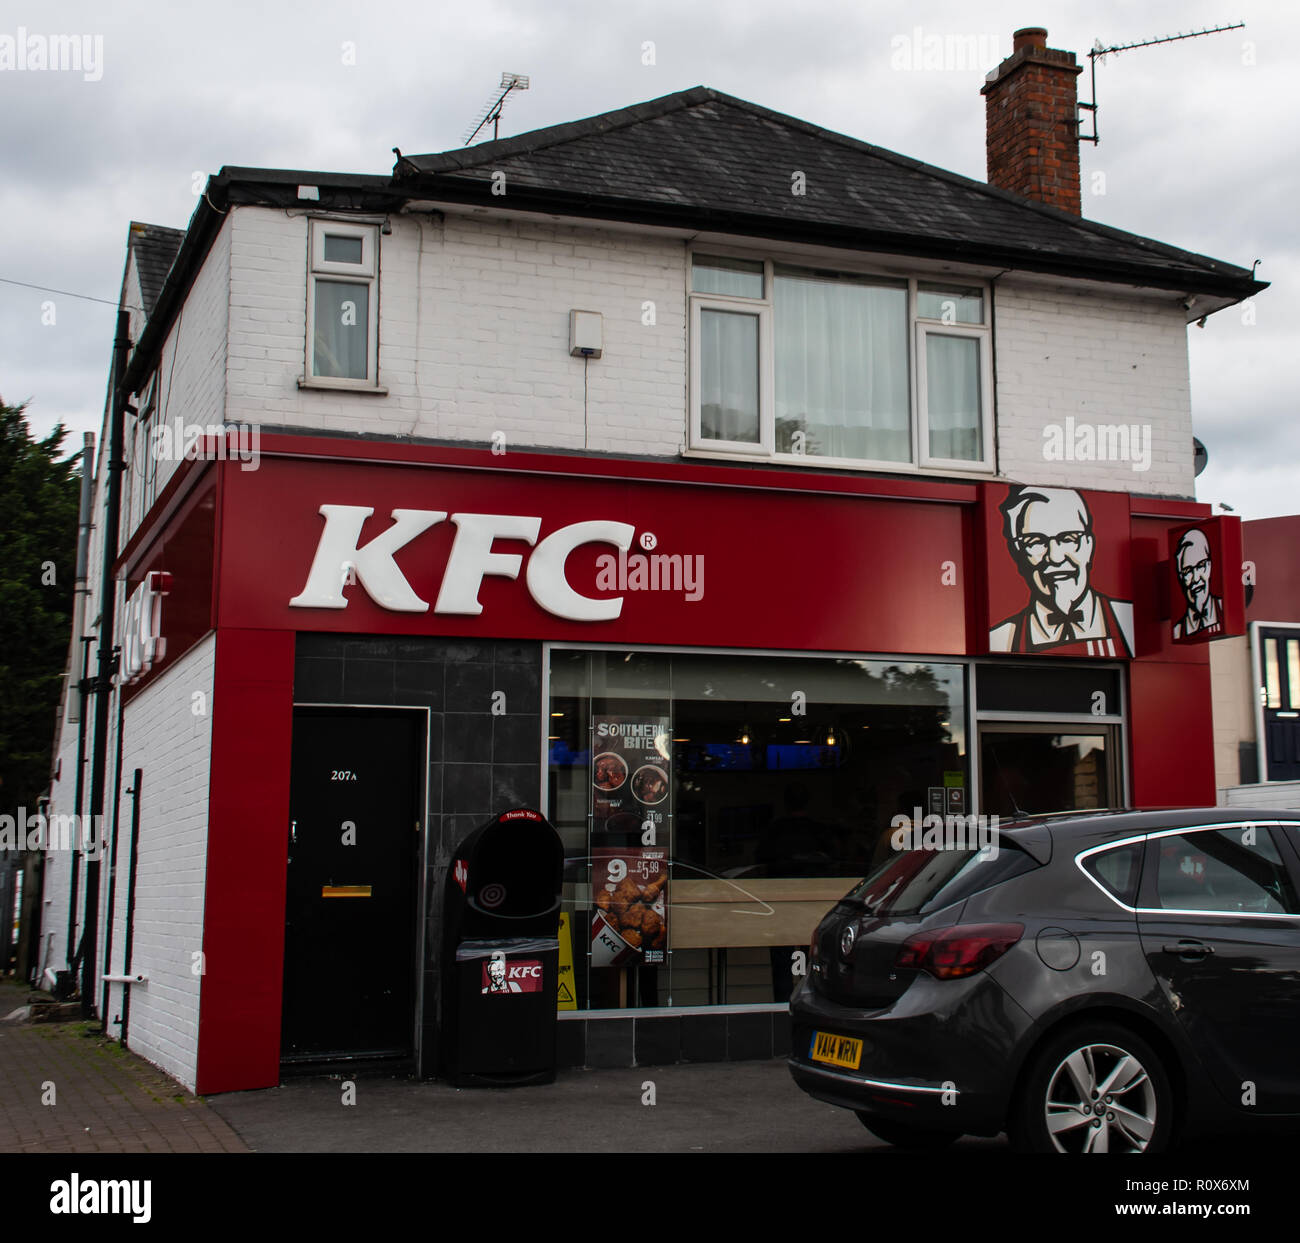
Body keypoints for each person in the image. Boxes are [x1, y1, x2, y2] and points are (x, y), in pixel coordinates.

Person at [989, 485, 1134, 657]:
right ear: (1018, 553)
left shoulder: (1126, 621)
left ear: (1089, 545)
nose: (1055, 557)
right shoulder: (1003, 638)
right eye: (1036, 542)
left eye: (1067, 539)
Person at [1172, 527, 1223, 639]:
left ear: (1209, 567)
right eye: (1187, 571)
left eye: (1200, 565)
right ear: (1180, 577)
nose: (1196, 578)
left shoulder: (1225, 612)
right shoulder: (1177, 632)